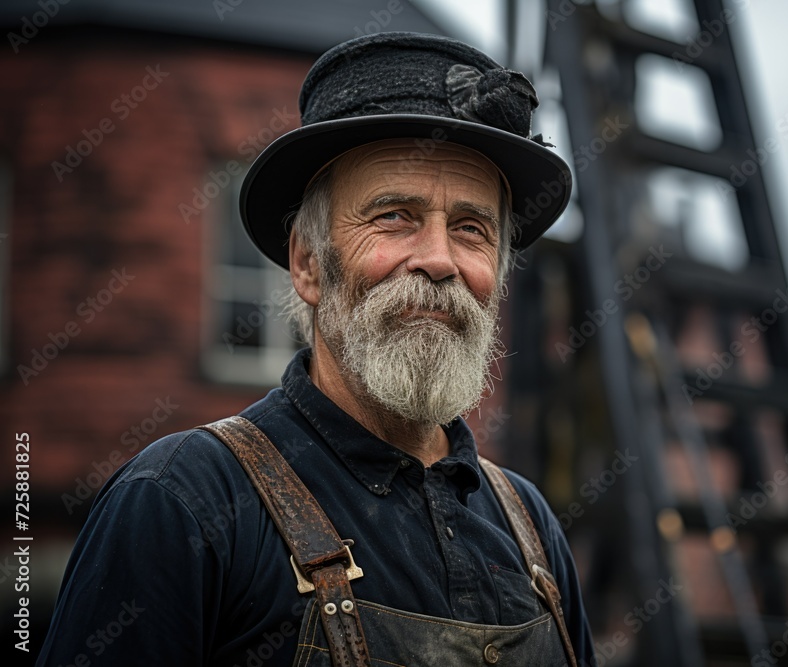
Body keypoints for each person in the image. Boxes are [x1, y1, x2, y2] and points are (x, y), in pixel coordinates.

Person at [37, 31, 594, 667]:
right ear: (308, 264)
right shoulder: (182, 502)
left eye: (471, 229)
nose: (440, 260)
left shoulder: (531, 529)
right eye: (395, 217)